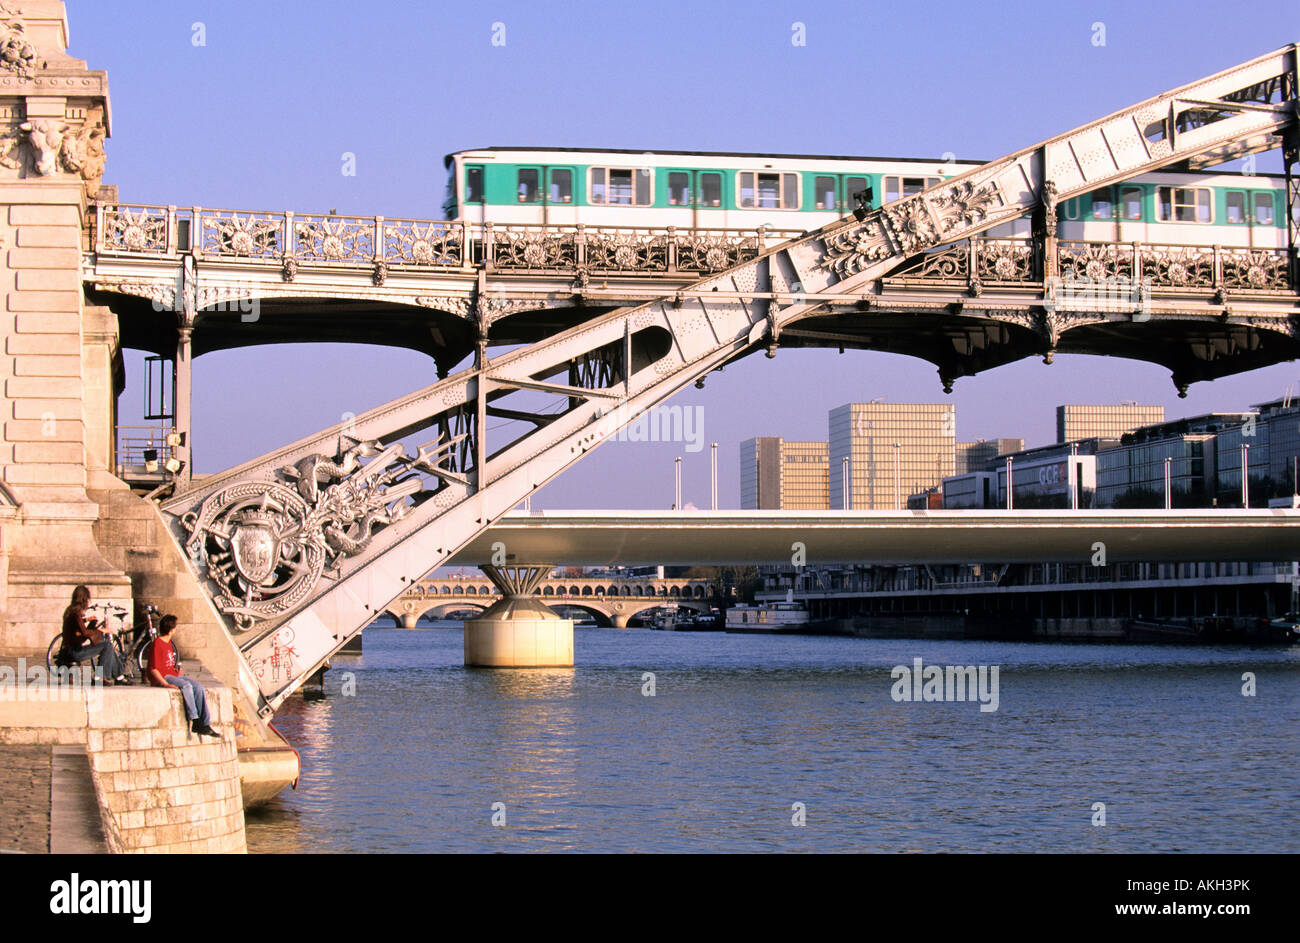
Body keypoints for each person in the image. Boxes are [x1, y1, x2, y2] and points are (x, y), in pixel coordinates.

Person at [145, 615, 218, 737]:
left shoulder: (168, 643)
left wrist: (176, 671)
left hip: (172, 674)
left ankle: (205, 724)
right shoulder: (157, 643)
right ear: (171, 630)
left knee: (198, 687)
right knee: (186, 686)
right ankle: (194, 720)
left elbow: (167, 663)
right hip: (163, 677)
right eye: (175, 628)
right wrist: (165, 684)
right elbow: (153, 669)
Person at [61, 585, 130, 684]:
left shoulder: (70, 611)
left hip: (69, 649)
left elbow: (76, 627)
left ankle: (119, 677)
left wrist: (88, 620)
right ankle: (100, 678)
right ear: (84, 599)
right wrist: (102, 631)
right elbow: (84, 632)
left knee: (108, 646)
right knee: (106, 645)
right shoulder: (76, 614)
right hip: (74, 651)